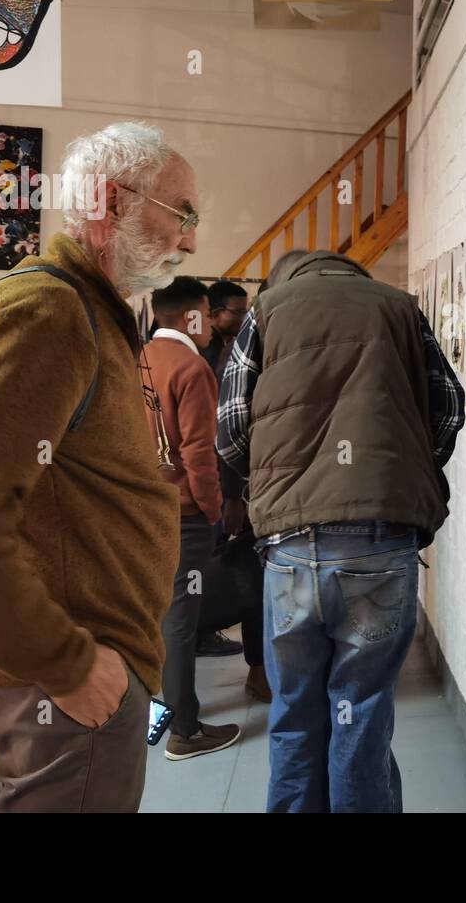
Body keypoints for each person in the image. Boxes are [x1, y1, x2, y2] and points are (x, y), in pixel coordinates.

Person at [0, 121, 198, 812]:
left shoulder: (81, 308)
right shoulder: (52, 310)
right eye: (181, 214)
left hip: (68, 684)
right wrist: (73, 667)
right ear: (110, 203)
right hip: (69, 690)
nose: (190, 240)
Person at [217, 248, 464, 813]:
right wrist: (399, 472)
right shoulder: (398, 307)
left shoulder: (267, 311)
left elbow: (229, 431)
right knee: (363, 714)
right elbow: (448, 409)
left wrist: (274, 485)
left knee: (294, 716)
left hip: (290, 547)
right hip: (380, 541)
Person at [144, 277, 241, 760]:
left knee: (156, 616)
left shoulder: (137, 359)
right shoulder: (192, 367)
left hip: (141, 512)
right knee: (182, 619)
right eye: (207, 313)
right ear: (191, 317)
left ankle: (154, 714)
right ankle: (184, 730)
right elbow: (200, 452)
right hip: (183, 512)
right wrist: (214, 510)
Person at [197, 278, 254, 662]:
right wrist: (231, 496)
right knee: (212, 559)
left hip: (221, 480)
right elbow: (221, 432)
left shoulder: (230, 348)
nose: (246, 315)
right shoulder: (207, 358)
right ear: (216, 315)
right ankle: (203, 630)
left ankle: (205, 629)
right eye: (238, 310)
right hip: (214, 480)